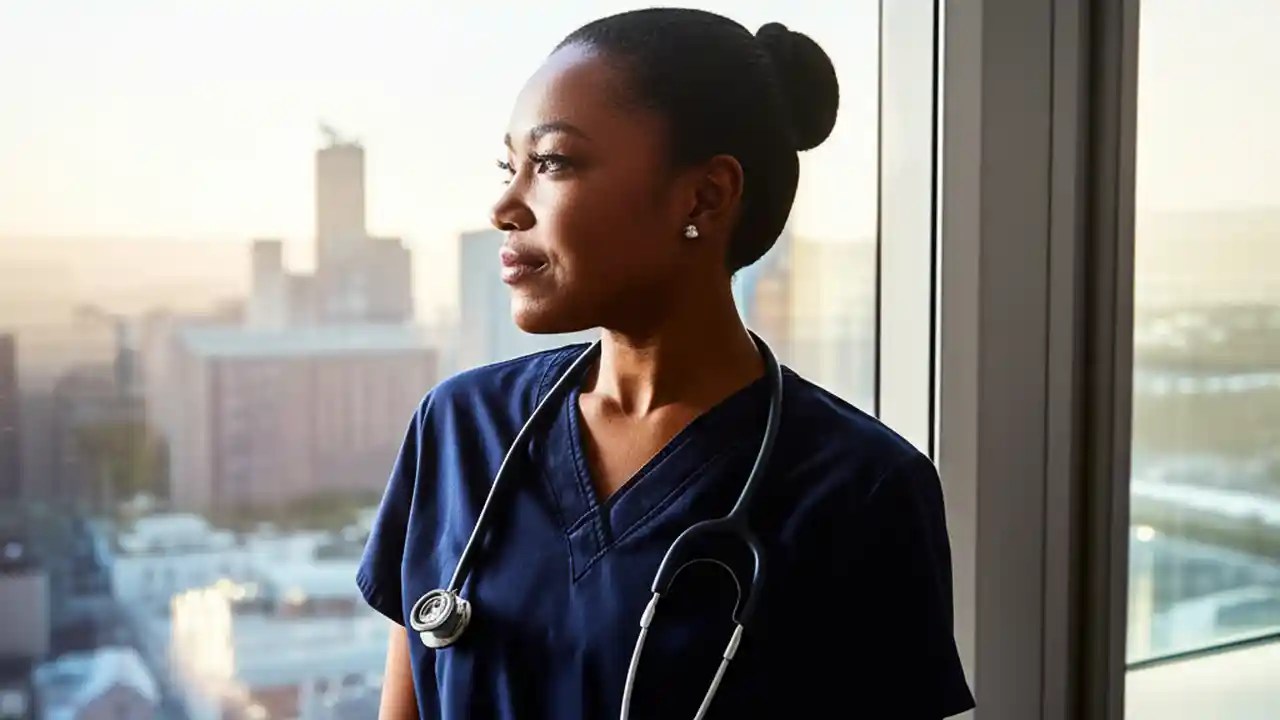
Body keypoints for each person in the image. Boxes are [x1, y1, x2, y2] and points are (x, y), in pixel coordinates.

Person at [358, 8, 975, 719]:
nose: (506, 205)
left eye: (553, 162)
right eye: (511, 166)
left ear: (704, 197)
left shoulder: (860, 489)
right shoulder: (461, 427)